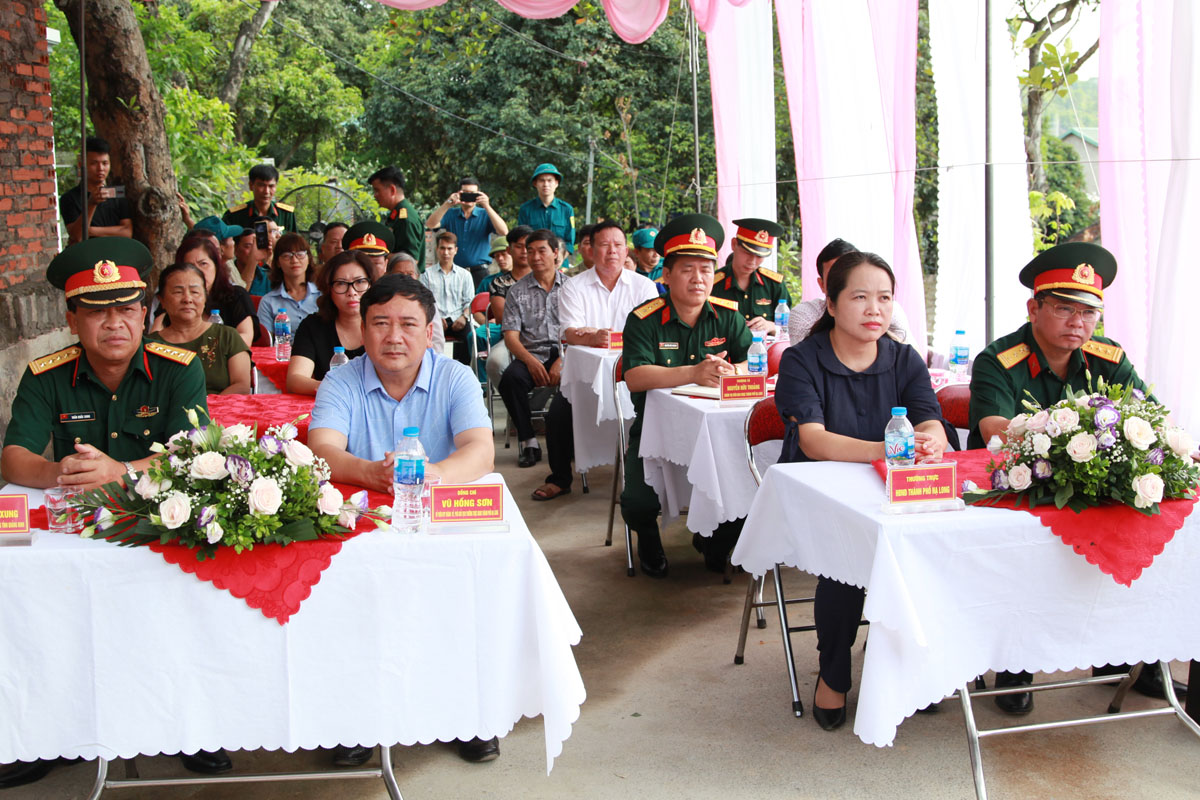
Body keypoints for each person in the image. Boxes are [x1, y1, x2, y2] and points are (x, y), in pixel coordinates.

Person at [0, 238, 221, 787]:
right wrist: (60, 474)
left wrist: (120, 471)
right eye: (98, 312)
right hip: (77, 526)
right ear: (72, 319)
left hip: (161, 519)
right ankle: (43, 733)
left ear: (146, 313)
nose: (115, 323)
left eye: (127, 309)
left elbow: (199, 450)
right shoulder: (44, 374)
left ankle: (197, 728)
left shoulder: (180, 367)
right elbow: (14, 456)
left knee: (187, 603)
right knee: (38, 608)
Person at [966, 241, 1173, 711]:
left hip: (1093, 492)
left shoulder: (1107, 355)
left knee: (1142, 527)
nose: (1078, 324)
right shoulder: (999, 361)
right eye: (1064, 310)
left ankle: (1125, 656)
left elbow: (1148, 417)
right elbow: (994, 430)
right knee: (1028, 555)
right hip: (1017, 496)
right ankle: (1015, 663)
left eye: (1088, 313)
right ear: (1033, 307)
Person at [307, 274, 495, 765]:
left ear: (430, 330)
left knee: (465, 596)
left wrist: (432, 474)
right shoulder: (341, 378)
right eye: (381, 324)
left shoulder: (454, 376)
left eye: (409, 324)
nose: (394, 337)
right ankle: (357, 718)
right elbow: (322, 450)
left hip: (438, 521)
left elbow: (481, 451)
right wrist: (370, 472)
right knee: (349, 609)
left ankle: (465, 712)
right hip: (363, 523)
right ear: (362, 329)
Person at [774, 250, 947, 732]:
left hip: (891, 488)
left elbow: (927, 414)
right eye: (860, 297)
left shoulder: (903, 356)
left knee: (928, 550)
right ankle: (834, 672)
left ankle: (901, 658)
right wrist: (887, 451)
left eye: (885, 298)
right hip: (820, 491)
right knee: (847, 563)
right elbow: (814, 439)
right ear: (830, 304)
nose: (876, 309)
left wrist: (931, 439)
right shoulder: (802, 360)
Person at [619, 214, 751, 577]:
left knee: (747, 484)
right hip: (654, 429)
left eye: (706, 269)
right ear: (666, 275)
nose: (699, 278)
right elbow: (634, 376)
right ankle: (648, 539)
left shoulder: (729, 318)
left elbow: (748, 366)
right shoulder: (644, 319)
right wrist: (693, 373)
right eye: (687, 269)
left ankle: (715, 541)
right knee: (638, 501)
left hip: (717, 431)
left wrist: (731, 372)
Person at [536, 221, 658, 501]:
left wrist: (592, 334)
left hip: (636, 374)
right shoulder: (573, 287)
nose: (611, 251)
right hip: (585, 379)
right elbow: (570, 331)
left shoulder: (645, 287)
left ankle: (645, 478)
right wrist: (592, 338)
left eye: (617, 245)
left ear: (627, 250)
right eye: (604, 245)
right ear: (591, 250)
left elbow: (651, 333)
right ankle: (560, 479)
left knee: (655, 409)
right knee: (556, 416)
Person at [498, 230, 569, 469]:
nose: (536, 257)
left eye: (542, 250)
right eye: (530, 251)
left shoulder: (572, 288)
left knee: (582, 381)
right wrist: (529, 361)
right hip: (532, 354)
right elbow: (510, 337)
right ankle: (529, 441)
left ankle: (573, 441)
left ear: (555, 253)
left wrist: (563, 359)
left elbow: (579, 331)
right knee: (510, 379)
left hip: (567, 354)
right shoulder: (517, 291)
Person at [147, 263, 251, 394]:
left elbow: (241, 386)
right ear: (161, 300)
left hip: (218, 411)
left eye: (195, 292)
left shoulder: (227, 335)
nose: (187, 299)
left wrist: (201, 411)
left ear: (205, 297)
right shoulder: (149, 345)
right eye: (178, 292)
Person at [789, 238, 911, 344]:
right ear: (822, 285)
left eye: (884, 297)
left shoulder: (890, 311)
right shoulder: (805, 315)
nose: (874, 311)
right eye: (836, 277)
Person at [286, 251, 372, 394]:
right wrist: (334, 389)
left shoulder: (386, 324)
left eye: (360, 282)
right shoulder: (313, 326)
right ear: (328, 289)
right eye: (341, 284)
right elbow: (295, 379)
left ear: (371, 285)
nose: (352, 292)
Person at [158, 234, 259, 347]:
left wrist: (207, 349)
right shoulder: (174, 297)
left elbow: (245, 338)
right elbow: (154, 340)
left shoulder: (236, 294)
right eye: (190, 266)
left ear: (216, 266)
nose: (198, 271)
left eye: (203, 264)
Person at [709, 218, 791, 335]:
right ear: (734, 244)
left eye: (759, 256)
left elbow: (789, 327)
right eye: (747, 253)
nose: (752, 262)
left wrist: (771, 326)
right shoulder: (712, 284)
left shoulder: (774, 284)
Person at [424, 176, 509, 289]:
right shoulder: (451, 214)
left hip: (480, 271)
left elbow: (504, 231)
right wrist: (448, 203)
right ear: (459, 193)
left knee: (480, 304)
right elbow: (430, 224)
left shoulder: (485, 214)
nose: (469, 197)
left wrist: (487, 206)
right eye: (466, 193)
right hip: (455, 271)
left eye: (472, 194)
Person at [59, 136, 132, 245]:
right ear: (81, 164)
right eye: (94, 163)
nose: (100, 168)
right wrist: (91, 203)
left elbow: (127, 232)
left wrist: (90, 230)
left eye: (105, 163)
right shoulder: (69, 198)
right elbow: (77, 236)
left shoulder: (117, 194)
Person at [419, 231, 475, 364]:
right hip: (435, 319)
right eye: (442, 248)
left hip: (459, 319)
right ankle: (432, 370)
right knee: (426, 337)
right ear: (437, 250)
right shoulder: (426, 274)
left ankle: (464, 371)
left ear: (455, 250)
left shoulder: (464, 275)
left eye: (449, 248)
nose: (446, 252)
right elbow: (424, 302)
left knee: (471, 337)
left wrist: (464, 317)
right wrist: (436, 318)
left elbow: (470, 301)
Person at [256, 232, 320, 334]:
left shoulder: (322, 295)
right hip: (284, 349)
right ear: (278, 263)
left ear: (309, 259)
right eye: (287, 256)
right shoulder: (268, 302)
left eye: (300, 254)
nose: (294, 260)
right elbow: (266, 342)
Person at [368, 166, 425, 267]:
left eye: (377, 190)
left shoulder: (406, 219)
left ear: (392, 190)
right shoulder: (396, 214)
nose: (375, 195)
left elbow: (411, 259)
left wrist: (379, 256)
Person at [517, 163, 575, 255]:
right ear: (535, 183)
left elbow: (569, 242)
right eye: (542, 180)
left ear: (556, 183)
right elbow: (522, 239)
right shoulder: (525, 209)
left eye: (549, 180)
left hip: (560, 264)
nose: (546, 184)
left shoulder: (567, 209)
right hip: (535, 262)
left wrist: (558, 259)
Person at [222, 163, 296, 233]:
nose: (266, 191)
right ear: (251, 185)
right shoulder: (234, 216)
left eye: (271, 186)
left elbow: (295, 243)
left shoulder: (286, 214)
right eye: (261, 185)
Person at [231, 225, 272, 296]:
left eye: (256, 247)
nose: (253, 251)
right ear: (235, 249)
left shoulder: (267, 277)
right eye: (248, 246)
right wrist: (253, 260)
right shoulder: (227, 275)